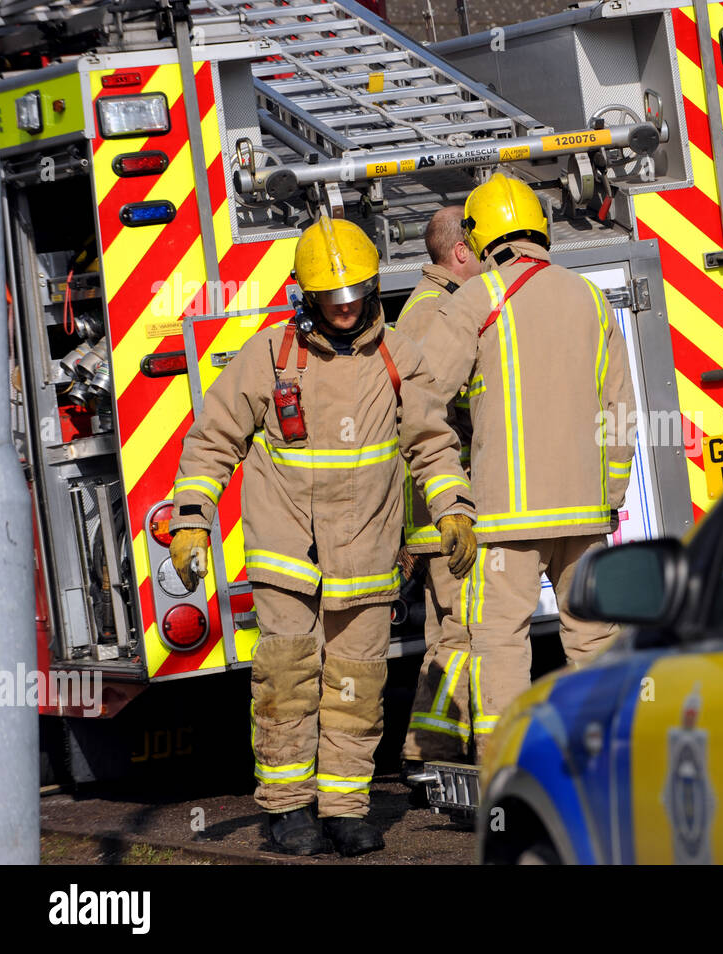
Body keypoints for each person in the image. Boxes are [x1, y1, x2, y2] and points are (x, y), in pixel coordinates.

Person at [165, 215, 477, 856]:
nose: (346, 309)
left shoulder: (398, 360)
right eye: (332, 300)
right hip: (287, 555)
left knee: (355, 685)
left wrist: (452, 507)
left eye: (356, 296)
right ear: (306, 297)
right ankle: (287, 810)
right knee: (285, 680)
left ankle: (344, 809)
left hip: (364, 555)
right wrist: (192, 517)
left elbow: (432, 444)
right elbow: (212, 440)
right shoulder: (270, 356)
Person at [422, 172, 636, 762]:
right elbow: (621, 411)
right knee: (593, 637)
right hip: (586, 513)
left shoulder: (478, 297)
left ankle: (506, 769)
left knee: (500, 642)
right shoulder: (591, 298)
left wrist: (449, 497)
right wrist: (611, 492)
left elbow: (425, 397)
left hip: (505, 520)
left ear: (480, 235)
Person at [395, 206, 483, 773]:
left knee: (449, 633)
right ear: (459, 253)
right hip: (444, 507)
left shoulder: (422, 307)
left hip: (433, 509)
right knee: (466, 631)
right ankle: (441, 752)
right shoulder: (441, 312)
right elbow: (427, 415)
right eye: (481, 249)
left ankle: (430, 748)